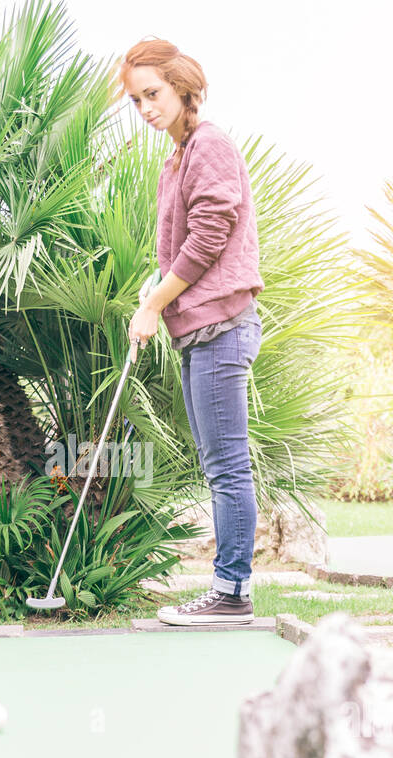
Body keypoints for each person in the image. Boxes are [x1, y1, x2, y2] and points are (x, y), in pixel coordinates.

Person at [120, 38, 265, 626]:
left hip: (221, 329)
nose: (147, 108)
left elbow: (209, 234)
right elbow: (184, 244)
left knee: (227, 465)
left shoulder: (209, 145)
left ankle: (232, 594)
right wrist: (153, 291)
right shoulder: (178, 155)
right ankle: (230, 590)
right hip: (202, 330)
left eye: (152, 93)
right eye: (137, 101)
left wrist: (155, 302)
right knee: (219, 462)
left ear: (183, 87)